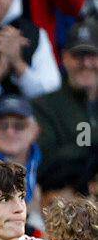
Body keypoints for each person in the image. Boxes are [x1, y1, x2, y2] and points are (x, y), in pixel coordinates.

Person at [33, 20, 98, 183]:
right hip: (63, 198)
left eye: (92, 55)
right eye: (78, 55)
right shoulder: (44, 105)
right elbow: (46, 162)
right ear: (64, 58)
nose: (85, 63)